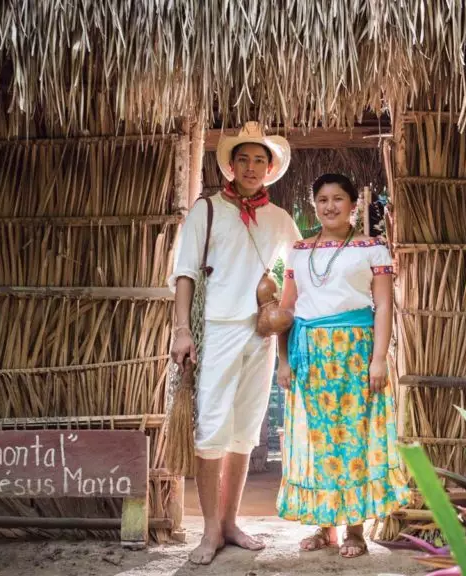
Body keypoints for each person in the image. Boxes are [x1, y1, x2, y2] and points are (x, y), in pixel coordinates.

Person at [168, 122, 302, 565]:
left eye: (259, 160)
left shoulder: (280, 218)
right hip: (218, 329)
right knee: (211, 431)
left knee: (245, 431)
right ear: (230, 164)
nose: (250, 167)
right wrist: (182, 330)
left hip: (261, 333)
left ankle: (229, 523)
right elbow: (185, 273)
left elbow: (303, 264)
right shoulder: (206, 210)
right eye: (243, 159)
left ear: (270, 168)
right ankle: (207, 532)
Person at [274, 173, 410, 558]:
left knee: (354, 436)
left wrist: (379, 359)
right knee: (319, 441)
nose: (329, 206)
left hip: (355, 352)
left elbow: (383, 305)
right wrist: (283, 362)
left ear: (354, 204)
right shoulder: (299, 250)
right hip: (311, 355)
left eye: (338, 198)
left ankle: (355, 530)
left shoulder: (372, 248)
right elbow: (286, 310)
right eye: (322, 199)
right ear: (314, 204)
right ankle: (324, 526)